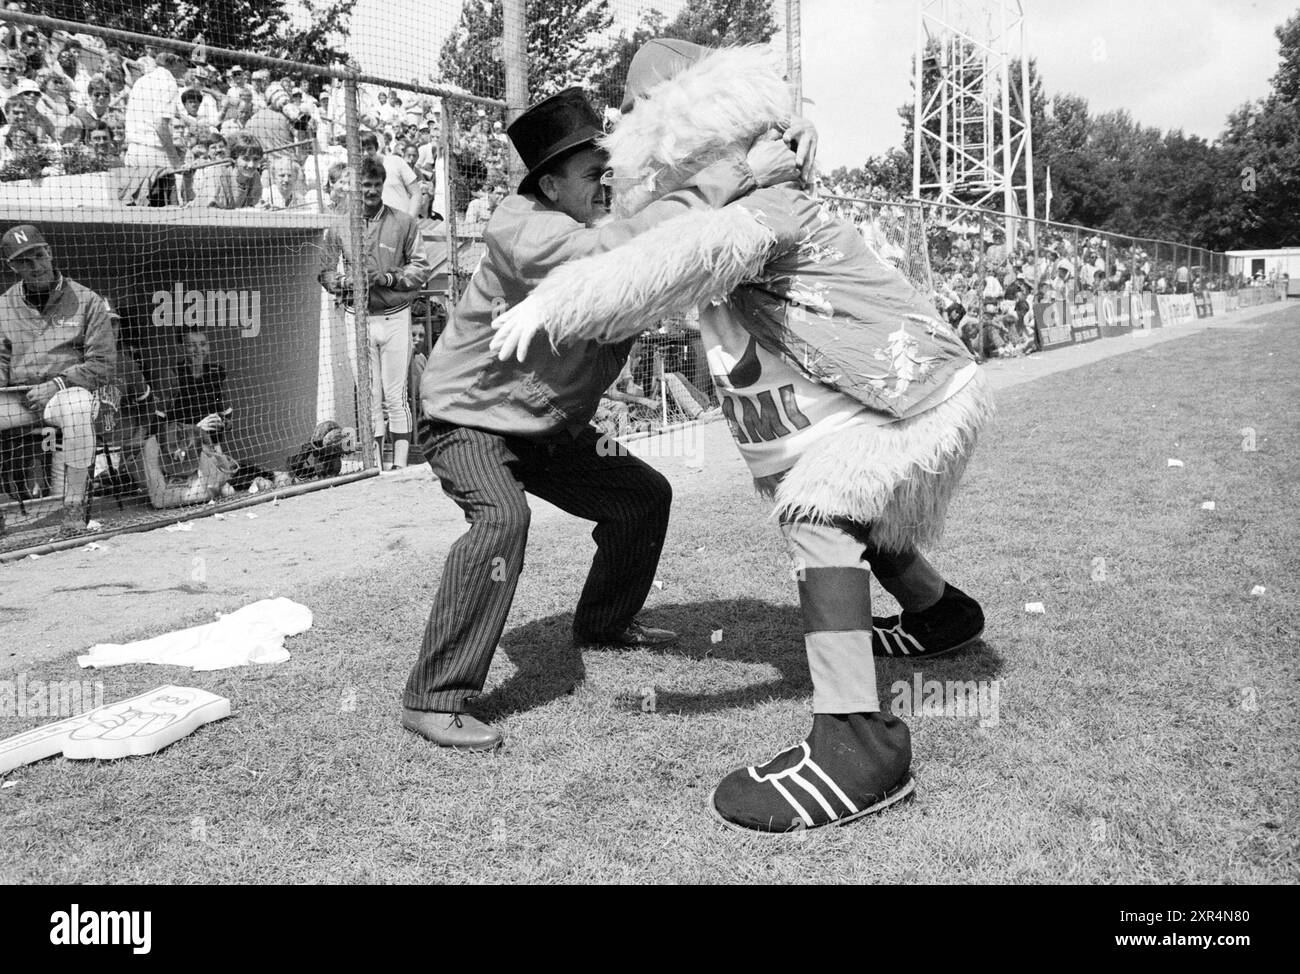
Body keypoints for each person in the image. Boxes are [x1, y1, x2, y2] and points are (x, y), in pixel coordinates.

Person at [490, 41, 993, 833]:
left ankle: (858, 744)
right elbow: (653, 229)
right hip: (898, 389)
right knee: (847, 508)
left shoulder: (767, 202)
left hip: (912, 396)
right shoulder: (750, 181)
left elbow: (674, 254)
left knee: (819, 516)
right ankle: (942, 614)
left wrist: (562, 300)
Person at [405, 86, 807, 751]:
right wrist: (738, 174)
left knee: (640, 498)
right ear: (550, 182)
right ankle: (435, 696)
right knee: (502, 517)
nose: (606, 182)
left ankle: (604, 622)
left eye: (607, 170)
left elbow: (671, 222)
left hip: (547, 428)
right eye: (593, 173)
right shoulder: (522, 227)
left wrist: (782, 137)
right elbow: (623, 250)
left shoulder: (599, 216)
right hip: (467, 420)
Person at [0, 224, 115, 537]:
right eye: (25, 261)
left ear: (49, 252)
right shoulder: (3, 306)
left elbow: (102, 364)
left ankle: (74, 509)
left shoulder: (87, 300)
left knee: (77, 408)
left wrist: (57, 385)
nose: (35, 266)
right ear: (13, 267)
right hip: (19, 396)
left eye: (38, 255)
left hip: (64, 392)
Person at [318, 155, 431, 470]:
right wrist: (343, 281)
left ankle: (401, 466)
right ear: (355, 187)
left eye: (375, 185)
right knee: (369, 397)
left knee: (395, 395)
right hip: (359, 317)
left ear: (383, 185)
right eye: (364, 185)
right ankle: (377, 466)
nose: (370, 191)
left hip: (395, 314)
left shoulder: (403, 222)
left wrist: (388, 278)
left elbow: (421, 267)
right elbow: (325, 273)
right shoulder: (339, 224)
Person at [360, 131, 421, 217]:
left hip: (403, 222)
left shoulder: (395, 161)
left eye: (369, 148)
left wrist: (410, 220)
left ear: (376, 148)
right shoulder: (357, 173)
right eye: (361, 150)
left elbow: (416, 193)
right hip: (376, 226)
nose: (365, 153)